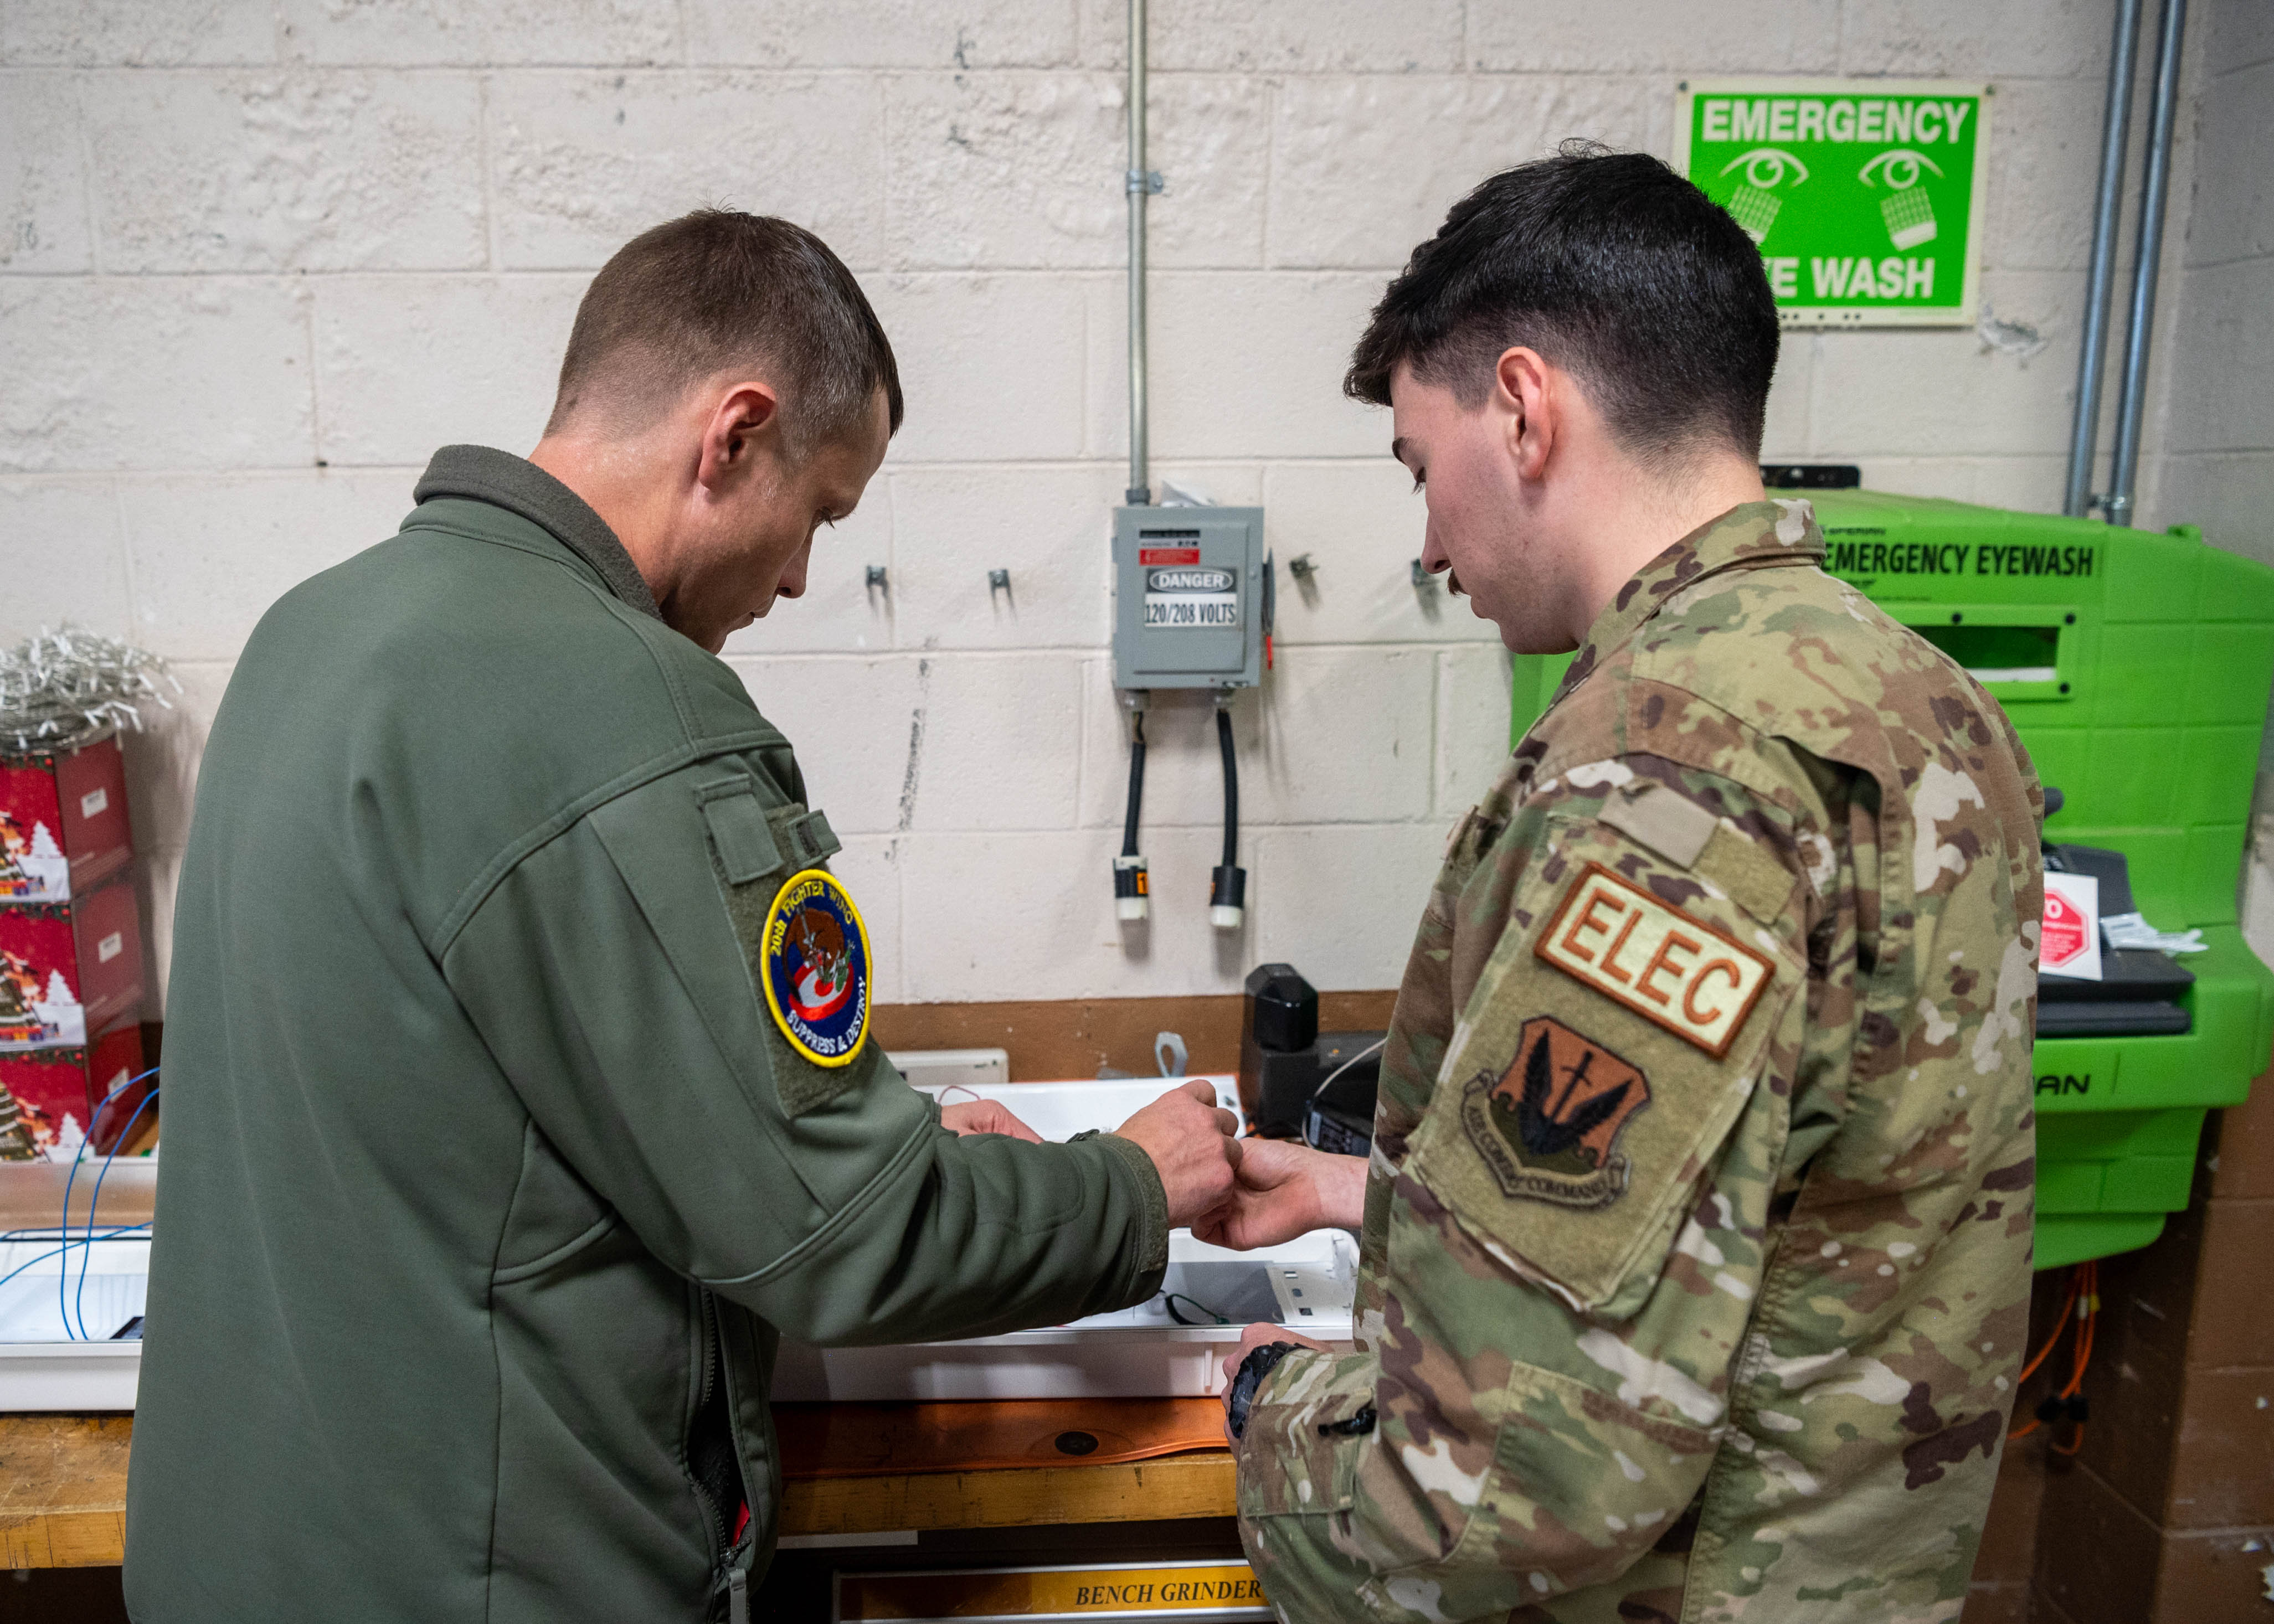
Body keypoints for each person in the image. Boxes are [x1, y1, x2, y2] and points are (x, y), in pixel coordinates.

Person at [124, 211, 1241, 1624]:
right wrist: (1132, 1188)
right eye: (820, 515)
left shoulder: (316, 632)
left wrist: (842, 1130)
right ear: (734, 436)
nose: (794, 580)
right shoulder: (629, 710)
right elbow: (841, 1237)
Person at [1196, 145, 2043, 1622]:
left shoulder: (1663, 765)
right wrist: (1364, 1192)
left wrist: (1278, 1404)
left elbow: (1510, 1497)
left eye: (1418, 463)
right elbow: (1780, 1201)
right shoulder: (1916, 694)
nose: (1427, 540)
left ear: (1522, 409)